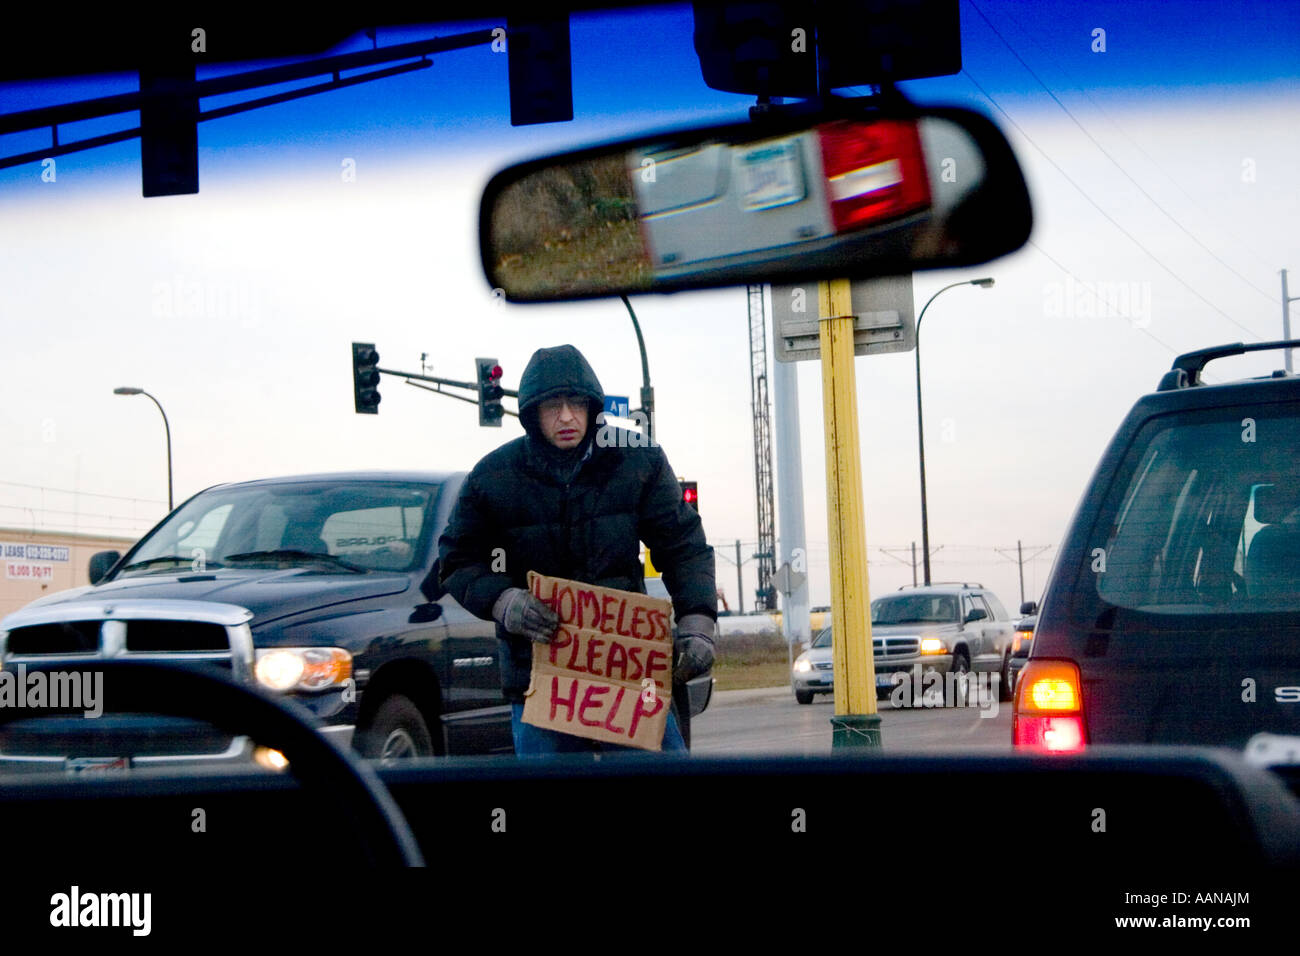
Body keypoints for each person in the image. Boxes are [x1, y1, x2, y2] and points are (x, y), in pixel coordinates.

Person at [437, 344, 717, 754]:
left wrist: (698, 623)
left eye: (575, 404)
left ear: (592, 406)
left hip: (627, 670)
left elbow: (683, 546)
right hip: (539, 677)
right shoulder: (493, 476)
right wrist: (506, 602)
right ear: (532, 413)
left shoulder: (638, 460)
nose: (566, 416)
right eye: (552, 406)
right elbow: (457, 560)